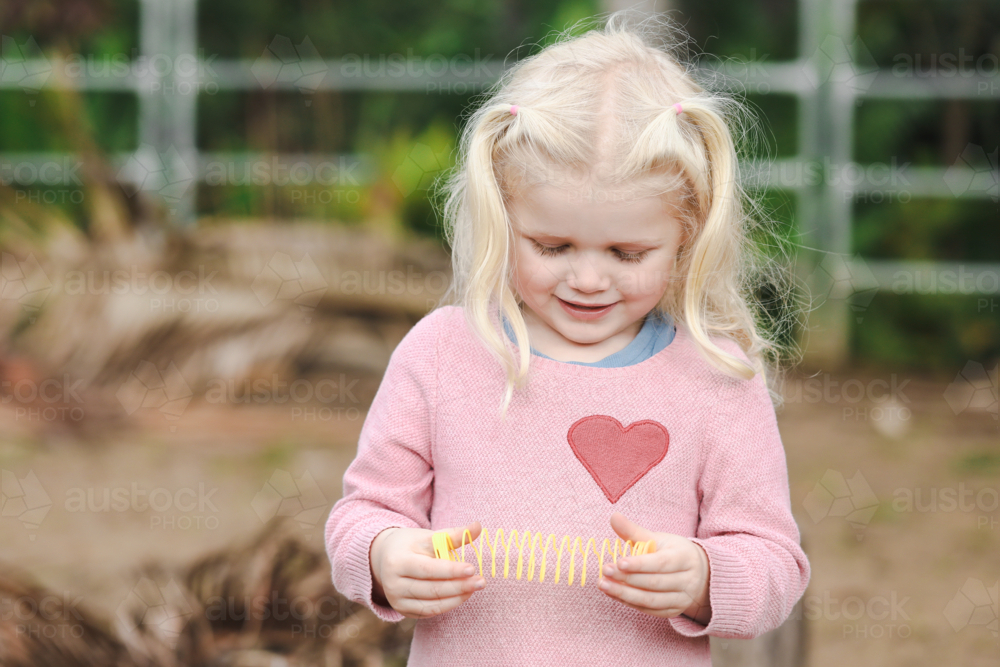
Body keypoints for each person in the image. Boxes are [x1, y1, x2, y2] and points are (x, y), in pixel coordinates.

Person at [325, 9, 810, 666]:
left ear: (687, 234)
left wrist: (703, 576)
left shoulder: (717, 378)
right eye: (552, 245)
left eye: (626, 251)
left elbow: (774, 560)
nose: (588, 278)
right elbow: (364, 512)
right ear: (502, 212)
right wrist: (383, 555)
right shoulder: (440, 354)